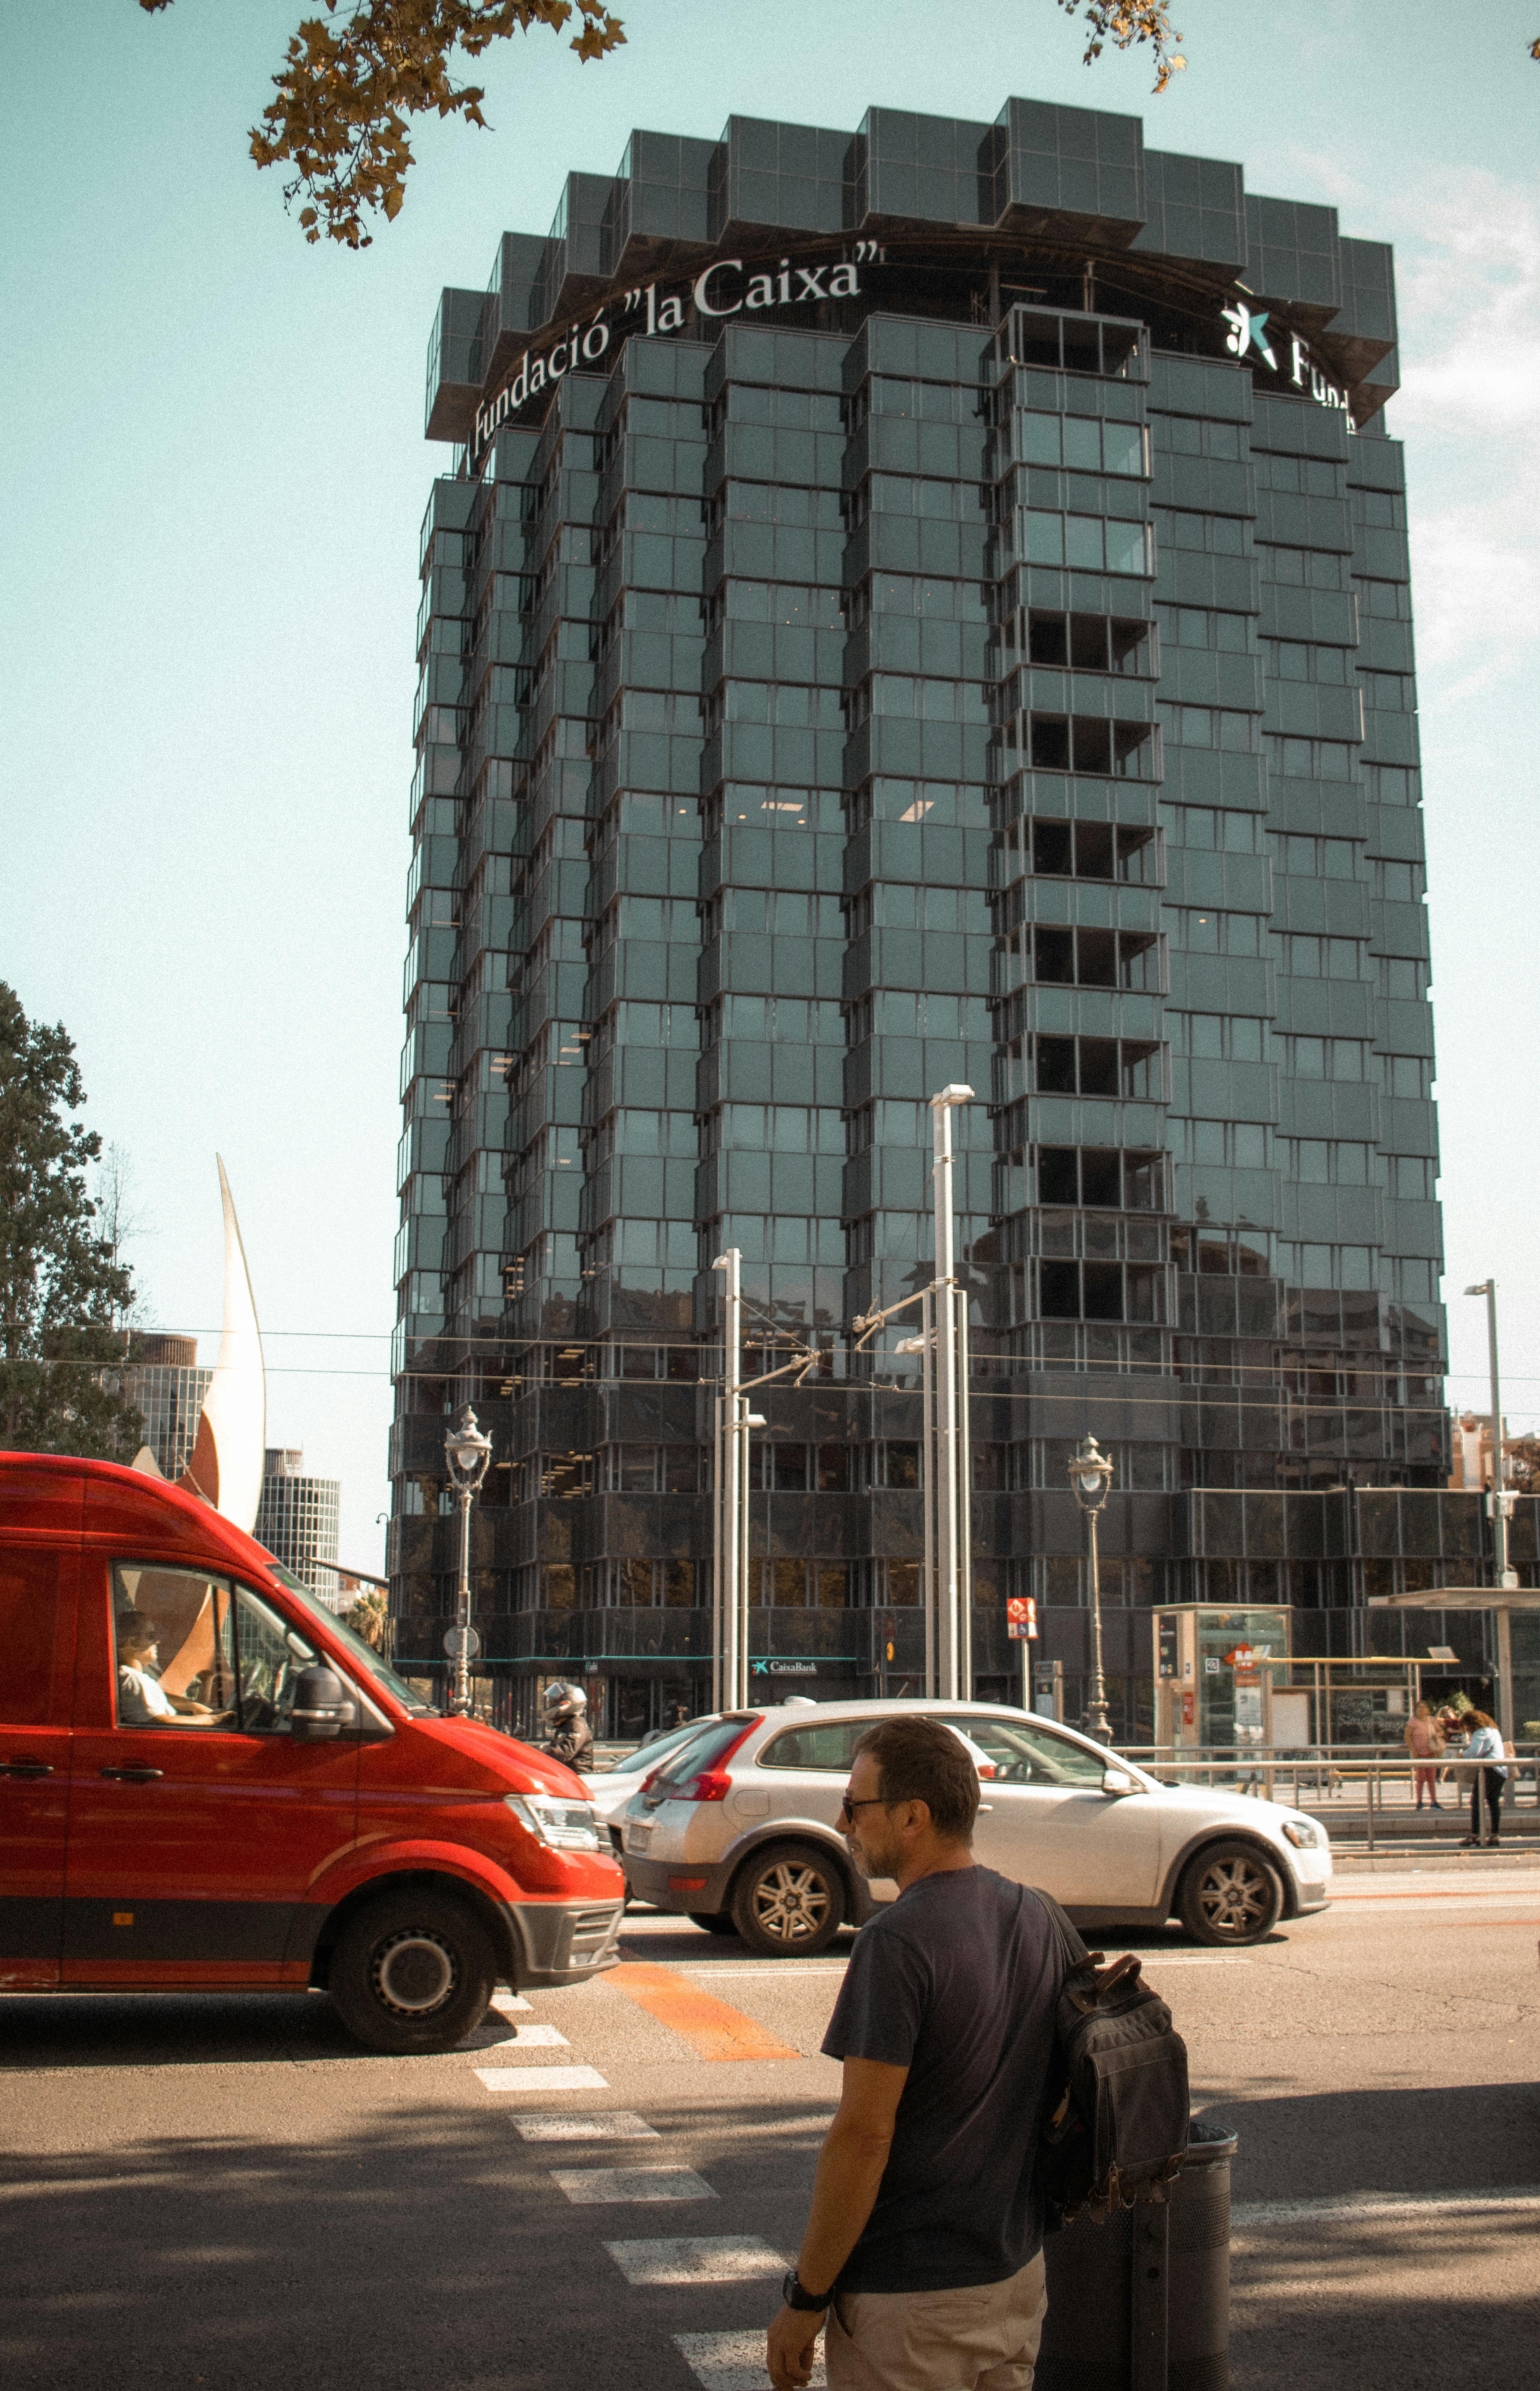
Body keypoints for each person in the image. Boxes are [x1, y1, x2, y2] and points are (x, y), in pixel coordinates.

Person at [766, 1716, 1066, 2391]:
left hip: (911, 2303)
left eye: (854, 1804)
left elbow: (865, 2135)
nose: (843, 1822)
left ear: (912, 1817)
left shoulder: (896, 1943)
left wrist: (806, 2299)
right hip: (1015, 2278)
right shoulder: (1038, 1915)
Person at [115, 1613, 227, 1726]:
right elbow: (160, 1723)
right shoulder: (133, 1680)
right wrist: (212, 1720)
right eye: (151, 1636)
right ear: (132, 1643)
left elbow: (154, 1698)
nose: (157, 1642)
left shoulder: (130, 1677)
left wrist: (192, 1706)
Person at [1458, 1708, 1508, 1847]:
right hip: (1501, 1770)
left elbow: (1475, 1751)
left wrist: (1462, 1753)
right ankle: (1495, 1834)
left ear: (1471, 1723)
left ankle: (1476, 1834)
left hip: (1489, 1770)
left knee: (1476, 1801)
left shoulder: (1480, 1733)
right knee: (1493, 1802)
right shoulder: (1494, 1730)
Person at [540, 1681, 594, 1771]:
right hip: (568, 1776)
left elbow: (565, 1752)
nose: (550, 1705)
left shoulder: (577, 1725)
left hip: (578, 1776)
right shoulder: (566, 1724)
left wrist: (542, 1753)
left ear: (567, 1704)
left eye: (553, 1702)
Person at [1404, 1699, 1445, 1811]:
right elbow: (1408, 1736)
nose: (1421, 1710)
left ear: (1428, 1710)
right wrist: (1414, 1750)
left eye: (1424, 1708)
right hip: (1419, 1754)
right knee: (1421, 1778)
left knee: (1432, 1778)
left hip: (1431, 1752)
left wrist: (1438, 1735)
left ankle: (1433, 1801)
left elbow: (1441, 1732)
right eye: (1419, 1708)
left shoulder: (1432, 1720)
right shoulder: (1413, 1722)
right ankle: (1419, 1801)